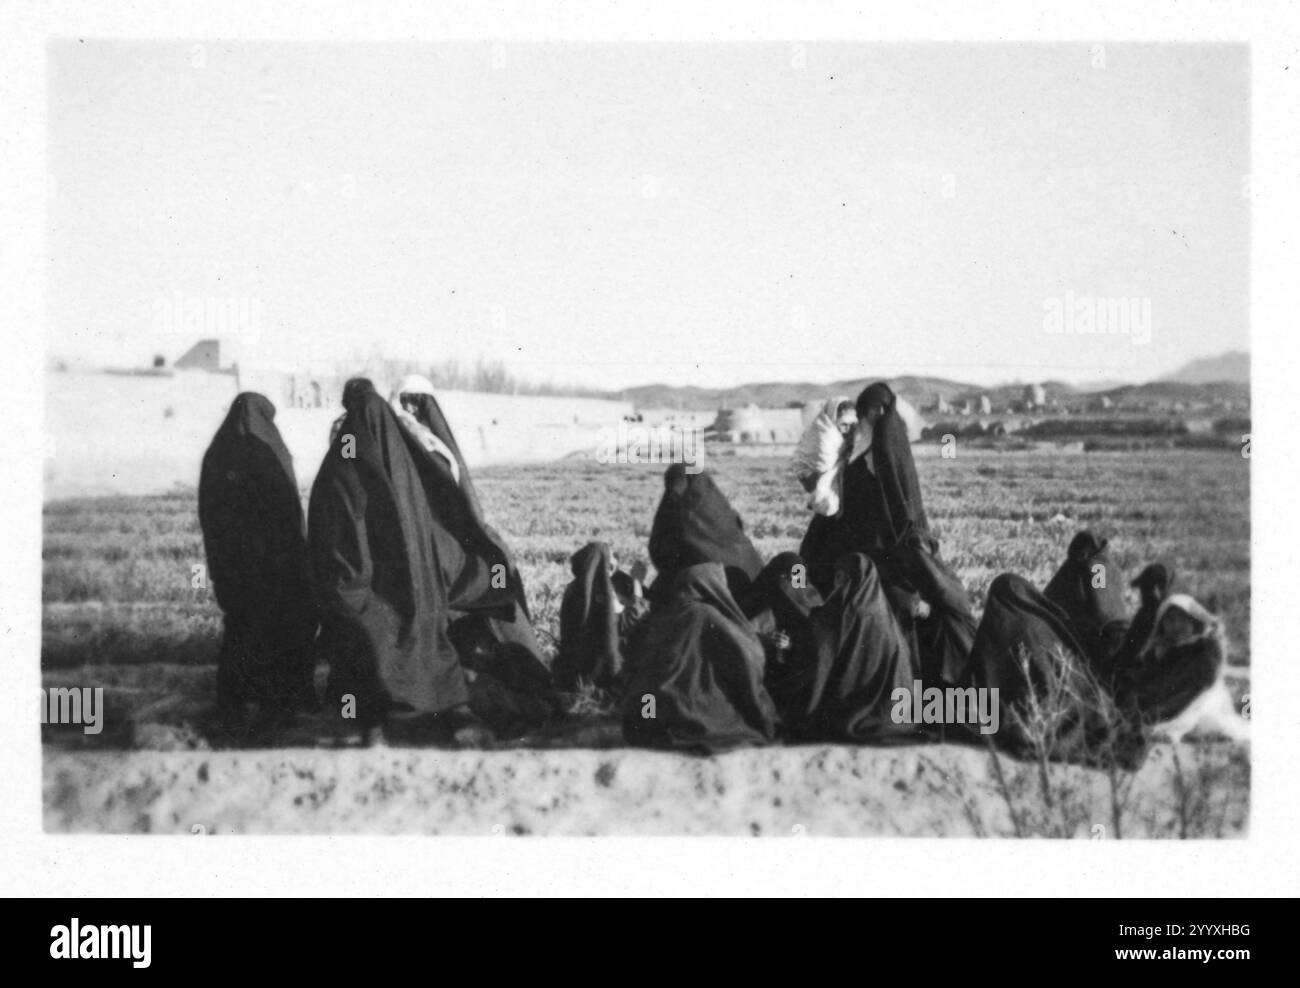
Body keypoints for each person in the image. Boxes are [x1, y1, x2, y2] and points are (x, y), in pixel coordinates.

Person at [308, 379, 490, 746]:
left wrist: (349, 585)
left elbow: (337, 530)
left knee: (366, 654)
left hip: (371, 590)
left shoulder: (342, 463)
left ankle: (368, 725)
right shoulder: (407, 462)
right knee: (428, 649)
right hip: (418, 589)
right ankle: (454, 716)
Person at [800, 382, 975, 688]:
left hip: (887, 550)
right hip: (858, 544)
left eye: (877, 410)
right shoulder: (855, 444)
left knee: (894, 611)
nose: (873, 416)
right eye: (869, 410)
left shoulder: (888, 446)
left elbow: (899, 505)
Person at [388, 374, 550, 696]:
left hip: (450, 541)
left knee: (498, 580)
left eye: (419, 402)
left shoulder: (434, 444)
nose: (413, 408)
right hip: (425, 544)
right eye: (407, 401)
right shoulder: (396, 444)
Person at [198, 392, 318, 727]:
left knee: (242, 628)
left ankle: (234, 702)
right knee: (282, 628)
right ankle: (280, 703)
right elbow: (289, 509)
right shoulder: (271, 448)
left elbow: (210, 513)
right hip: (278, 563)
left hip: (236, 565)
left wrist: (223, 562)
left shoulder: (216, 454)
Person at [743, 552, 919, 743]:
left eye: (840, 577)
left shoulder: (834, 613)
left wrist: (788, 648)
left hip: (850, 710)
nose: (836, 582)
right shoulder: (884, 616)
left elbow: (818, 656)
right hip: (895, 710)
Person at [968, 573, 1142, 765]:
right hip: (1068, 709)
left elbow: (983, 676)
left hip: (1027, 719)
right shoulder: (1044, 625)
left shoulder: (1001, 624)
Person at [622, 562, 778, 753]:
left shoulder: (670, 616)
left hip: (662, 714)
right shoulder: (707, 615)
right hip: (705, 717)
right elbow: (750, 657)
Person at [646, 463, 765, 605]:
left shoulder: (684, 522)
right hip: (758, 598)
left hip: (726, 607)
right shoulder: (724, 514)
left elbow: (660, 554)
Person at [553, 541, 650, 692]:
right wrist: (637, 582)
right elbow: (628, 622)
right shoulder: (602, 593)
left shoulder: (574, 588)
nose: (613, 570)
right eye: (609, 566)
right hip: (599, 674)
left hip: (574, 668)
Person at [1042, 530, 1131, 674]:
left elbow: (1102, 605)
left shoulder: (1098, 567)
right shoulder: (1103, 566)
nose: (1081, 555)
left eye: (1084, 552)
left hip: (1105, 638)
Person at [790, 397, 856, 516]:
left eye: (852, 424)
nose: (849, 429)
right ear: (832, 419)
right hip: (822, 494)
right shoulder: (824, 438)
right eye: (844, 424)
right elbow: (822, 469)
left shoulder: (843, 437)